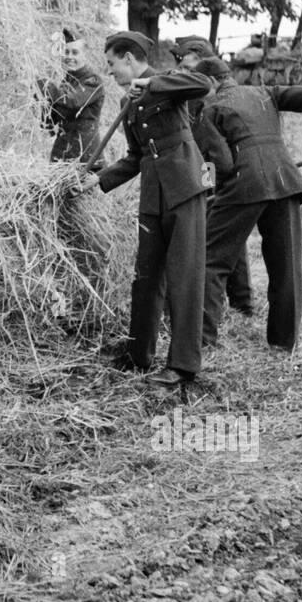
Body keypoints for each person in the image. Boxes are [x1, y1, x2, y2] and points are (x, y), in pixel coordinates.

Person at [198, 67, 302, 352]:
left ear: (213, 81)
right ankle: (283, 345)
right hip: (284, 180)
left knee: (210, 261)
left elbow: (218, 161)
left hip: (243, 185)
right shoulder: (265, 92)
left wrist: (210, 189)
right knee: (286, 266)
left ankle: (202, 341)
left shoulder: (207, 109)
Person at [85, 31, 214, 388]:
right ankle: (138, 352)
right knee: (145, 277)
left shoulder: (166, 83)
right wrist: (98, 181)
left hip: (185, 189)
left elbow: (203, 82)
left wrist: (151, 82)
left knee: (185, 277)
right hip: (154, 198)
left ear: (129, 59)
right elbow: (136, 157)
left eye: (112, 64)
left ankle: (184, 365)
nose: (109, 72)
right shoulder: (130, 102)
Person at [171, 39, 254, 317]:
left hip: (221, 172)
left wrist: (209, 184)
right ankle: (240, 300)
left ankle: (242, 301)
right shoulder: (192, 94)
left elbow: (217, 152)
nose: (185, 72)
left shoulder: (214, 98)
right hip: (207, 169)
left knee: (225, 237)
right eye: (181, 66)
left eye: (189, 65)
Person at [37, 28, 105, 164]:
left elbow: (72, 101)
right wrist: (41, 99)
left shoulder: (93, 81)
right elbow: (49, 123)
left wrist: (44, 84)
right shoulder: (65, 82)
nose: (69, 57)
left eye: (75, 52)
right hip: (62, 156)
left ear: (84, 55)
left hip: (85, 158)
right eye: (66, 52)